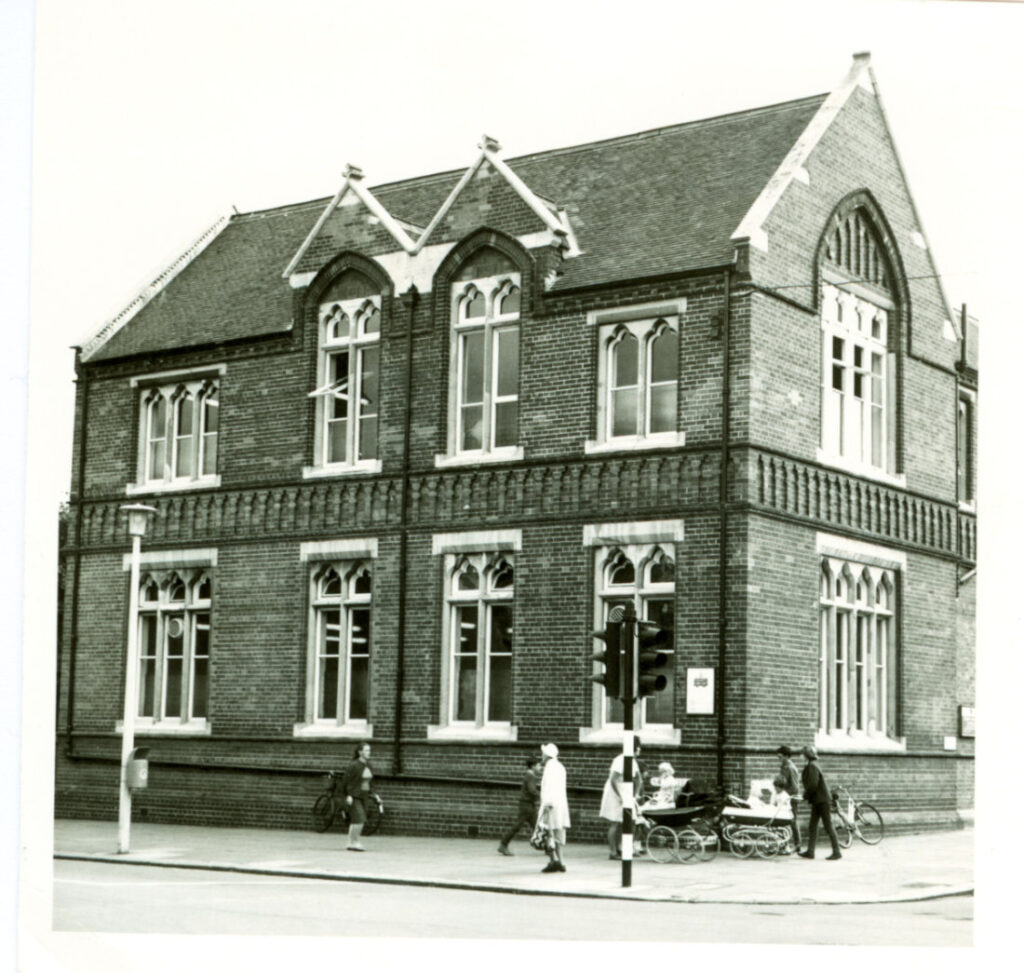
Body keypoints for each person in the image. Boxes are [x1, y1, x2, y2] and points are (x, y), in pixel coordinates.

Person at [599, 736, 643, 859]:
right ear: (635, 748)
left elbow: (639, 778)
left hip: (626, 791)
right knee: (615, 822)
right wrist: (619, 796)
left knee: (629, 820)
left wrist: (636, 794)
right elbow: (613, 779)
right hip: (615, 792)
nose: (639, 751)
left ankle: (621, 848)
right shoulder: (620, 760)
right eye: (638, 748)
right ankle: (613, 852)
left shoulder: (633, 761)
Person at [799, 745, 842, 860]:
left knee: (828, 826)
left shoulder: (812, 766)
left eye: (802, 754)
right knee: (813, 825)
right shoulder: (813, 765)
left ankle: (837, 851)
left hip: (821, 800)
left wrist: (804, 795)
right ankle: (810, 851)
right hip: (819, 800)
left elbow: (813, 784)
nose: (800, 756)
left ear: (806, 756)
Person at [497, 755, 542, 855]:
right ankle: (503, 845)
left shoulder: (529, 775)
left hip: (528, 805)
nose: (540, 767)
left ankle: (546, 847)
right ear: (533, 766)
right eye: (539, 765)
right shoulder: (531, 776)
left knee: (536, 826)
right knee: (522, 826)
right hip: (527, 805)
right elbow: (532, 790)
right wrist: (541, 795)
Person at [342, 742, 381, 852]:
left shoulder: (369, 765)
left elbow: (370, 782)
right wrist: (348, 795)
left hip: (365, 795)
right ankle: (355, 842)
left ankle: (350, 842)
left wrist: (374, 794)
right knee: (360, 819)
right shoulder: (353, 765)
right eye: (366, 750)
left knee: (356, 820)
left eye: (369, 750)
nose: (369, 752)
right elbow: (346, 781)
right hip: (354, 796)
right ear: (360, 752)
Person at [538, 742, 570, 873]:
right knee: (559, 833)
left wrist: (547, 804)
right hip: (561, 804)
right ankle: (561, 861)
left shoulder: (549, 768)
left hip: (550, 804)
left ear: (546, 755)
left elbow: (549, 787)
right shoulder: (560, 766)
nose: (541, 755)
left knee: (547, 832)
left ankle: (553, 860)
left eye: (543, 753)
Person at [775, 744, 802, 851]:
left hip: (791, 799)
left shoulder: (791, 768)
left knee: (793, 821)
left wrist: (784, 794)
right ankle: (784, 843)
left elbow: (795, 787)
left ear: (786, 756)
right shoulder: (784, 767)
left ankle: (797, 844)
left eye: (780, 757)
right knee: (783, 820)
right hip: (785, 798)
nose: (779, 759)